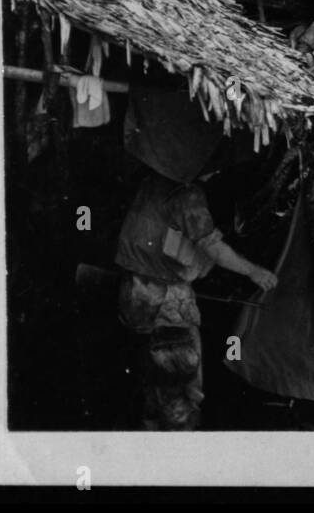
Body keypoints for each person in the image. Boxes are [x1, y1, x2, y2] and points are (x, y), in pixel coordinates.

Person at [114, 167, 277, 430]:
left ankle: (152, 430)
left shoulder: (153, 180)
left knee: (153, 376)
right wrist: (254, 272)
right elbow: (213, 248)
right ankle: (177, 442)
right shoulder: (188, 195)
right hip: (165, 298)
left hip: (133, 292)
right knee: (179, 378)